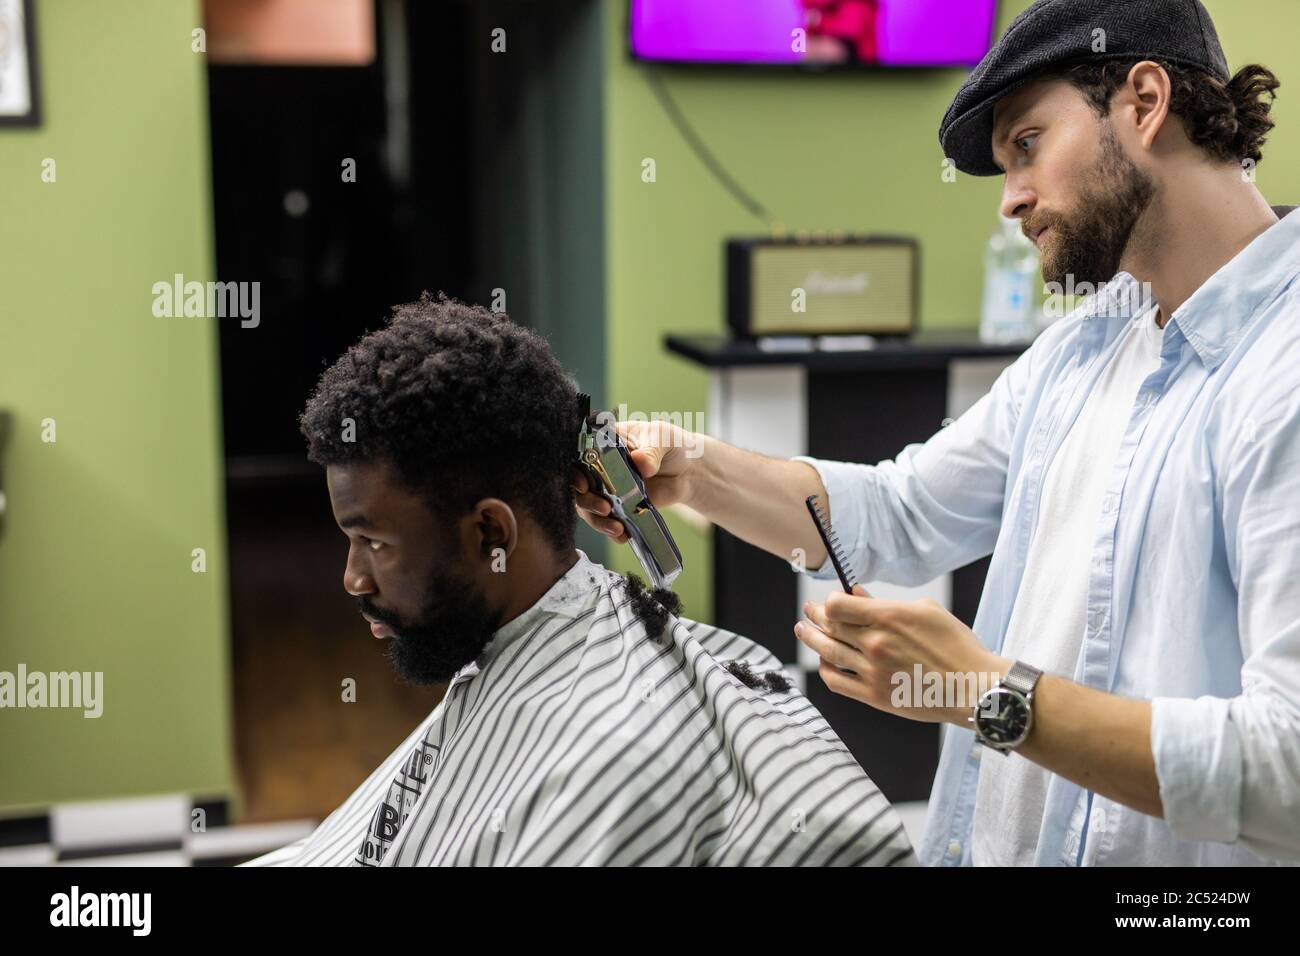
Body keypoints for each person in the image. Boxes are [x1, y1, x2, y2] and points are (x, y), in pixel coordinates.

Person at [576, 0, 1300, 866]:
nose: (1011, 202)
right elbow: (901, 511)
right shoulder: (1086, 345)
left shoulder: (1280, 374)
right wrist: (692, 471)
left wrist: (987, 692)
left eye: (1027, 144)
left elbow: (1284, 765)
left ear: (1144, 101)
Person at [243, 293, 916, 867]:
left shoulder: (615, 747)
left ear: (491, 534)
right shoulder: (531, 652)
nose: (352, 578)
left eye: (371, 542)